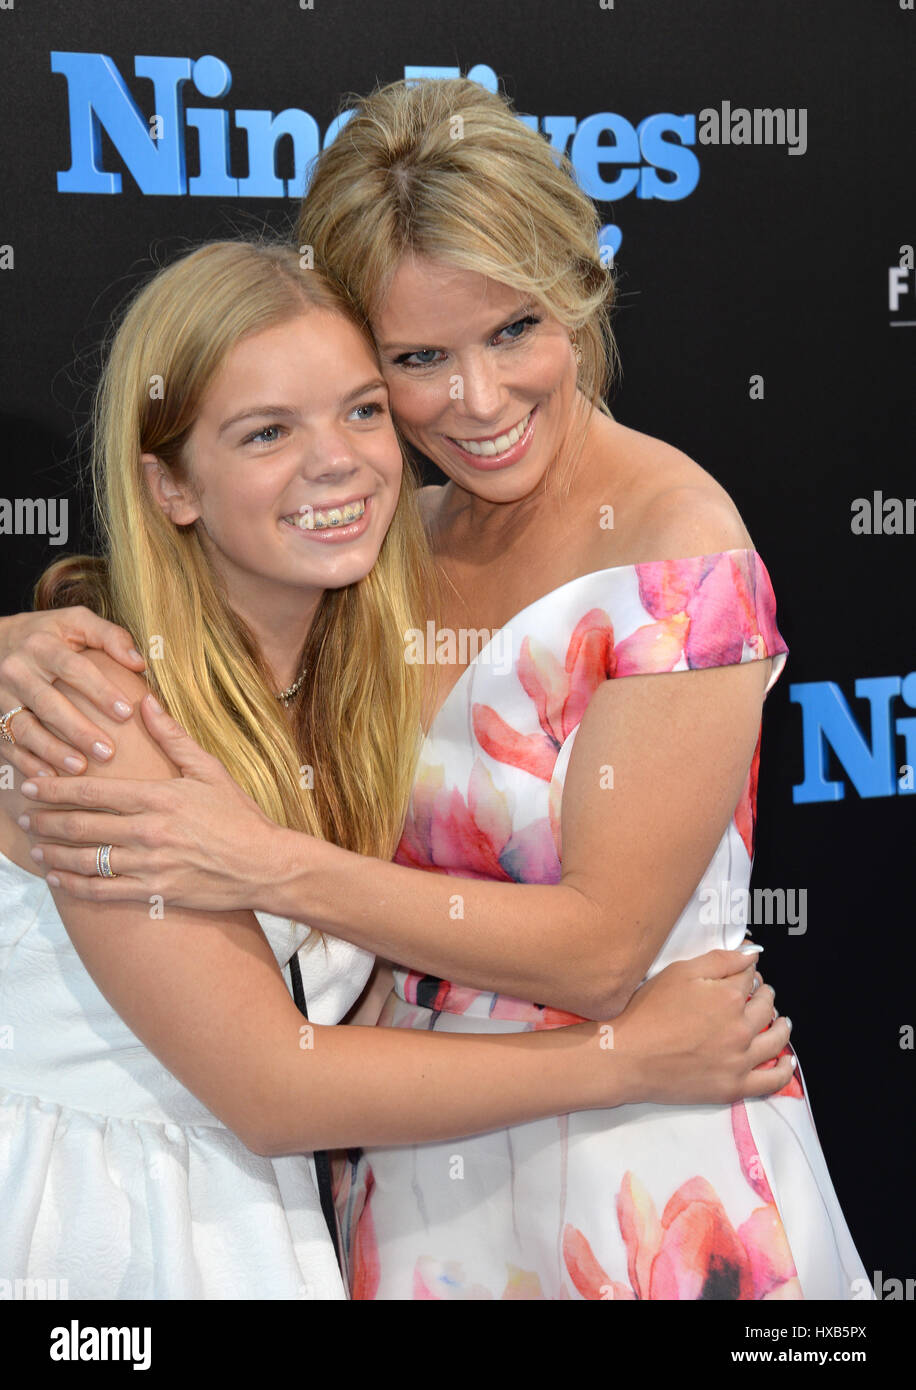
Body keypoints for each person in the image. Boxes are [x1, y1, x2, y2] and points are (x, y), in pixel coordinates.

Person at [0, 76, 864, 1300]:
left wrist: (259, 863)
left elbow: (599, 951)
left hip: (642, 1159)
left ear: (580, 292)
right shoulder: (380, 544)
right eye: (413, 360)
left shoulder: (680, 549)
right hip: (387, 1176)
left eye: (514, 329)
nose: (475, 399)